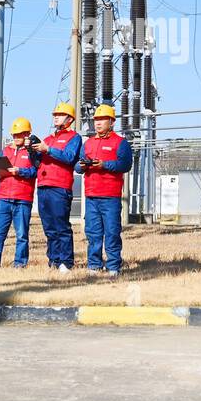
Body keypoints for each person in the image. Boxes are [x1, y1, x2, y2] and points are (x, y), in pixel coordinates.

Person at [79, 104, 133, 275]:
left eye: (102, 119)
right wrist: (81, 166)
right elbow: (77, 167)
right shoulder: (88, 143)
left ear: (111, 122)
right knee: (93, 233)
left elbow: (125, 164)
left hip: (110, 196)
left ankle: (113, 266)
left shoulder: (120, 143)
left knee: (112, 232)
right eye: (96, 120)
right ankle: (94, 265)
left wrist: (104, 165)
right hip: (91, 196)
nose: (98, 123)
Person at [36, 101, 81, 272]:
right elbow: (37, 163)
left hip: (60, 186)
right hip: (43, 186)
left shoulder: (74, 138)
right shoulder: (47, 139)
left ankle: (66, 262)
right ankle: (53, 261)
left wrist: (48, 150)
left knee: (61, 225)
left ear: (70, 119)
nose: (56, 117)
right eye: (54, 115)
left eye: (60, 115)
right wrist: (34, 152)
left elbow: (69, 157)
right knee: (49, 227)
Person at [0, 117, 38, 268]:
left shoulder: (32, 153)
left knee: (22, 235)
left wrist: (19, 171)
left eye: (20, 134)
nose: (16, 137)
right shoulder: (6, 150)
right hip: (4, 198)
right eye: (14, 135)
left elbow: (35, 171)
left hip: (22, 199)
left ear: (28, 134)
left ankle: (20, 264)